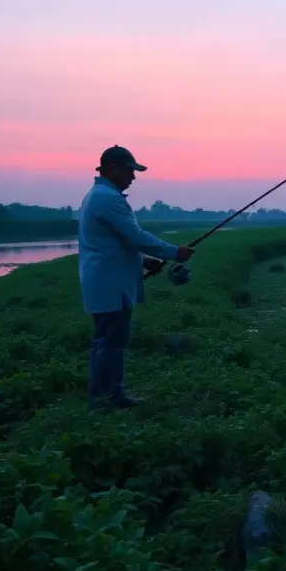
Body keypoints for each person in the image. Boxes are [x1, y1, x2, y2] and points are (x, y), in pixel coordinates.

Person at [77, 145, 195, 410]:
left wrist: (145, 260)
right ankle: (106, 398)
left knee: (108, 341)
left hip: (106, 281)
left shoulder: (98, 196)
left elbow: (115, 242)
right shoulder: (107, 199)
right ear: (113, 169)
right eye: (130, 170)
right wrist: (175, 253)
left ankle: (108, 394)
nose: (133, 177)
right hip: (110, 284)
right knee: (110, 342)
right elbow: (136, 236)